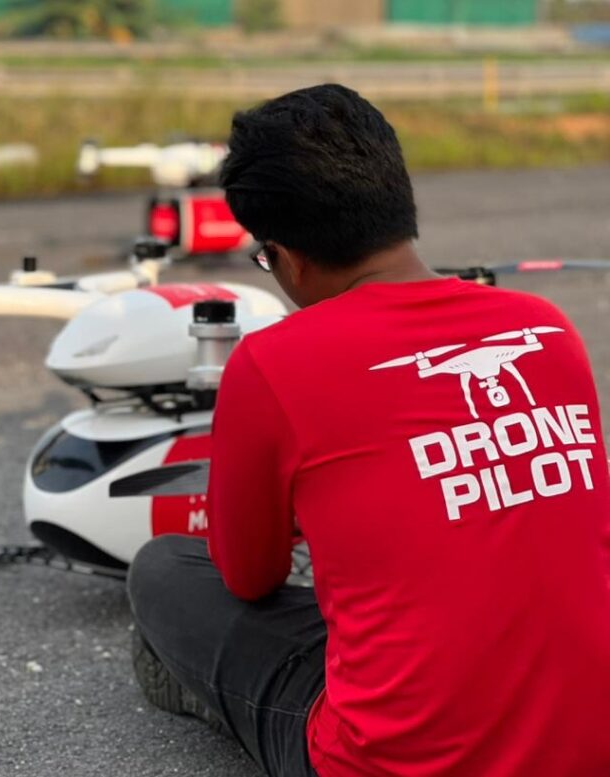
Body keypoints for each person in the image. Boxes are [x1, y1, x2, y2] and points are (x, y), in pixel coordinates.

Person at [126, 84, 610, 776]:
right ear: (397, 199)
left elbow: (252, 574)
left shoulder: (273, 362)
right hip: (592, 742)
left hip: (386, 761)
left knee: (165, 570)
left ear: (286, 256)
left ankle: (215, 698)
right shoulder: (547, 328)